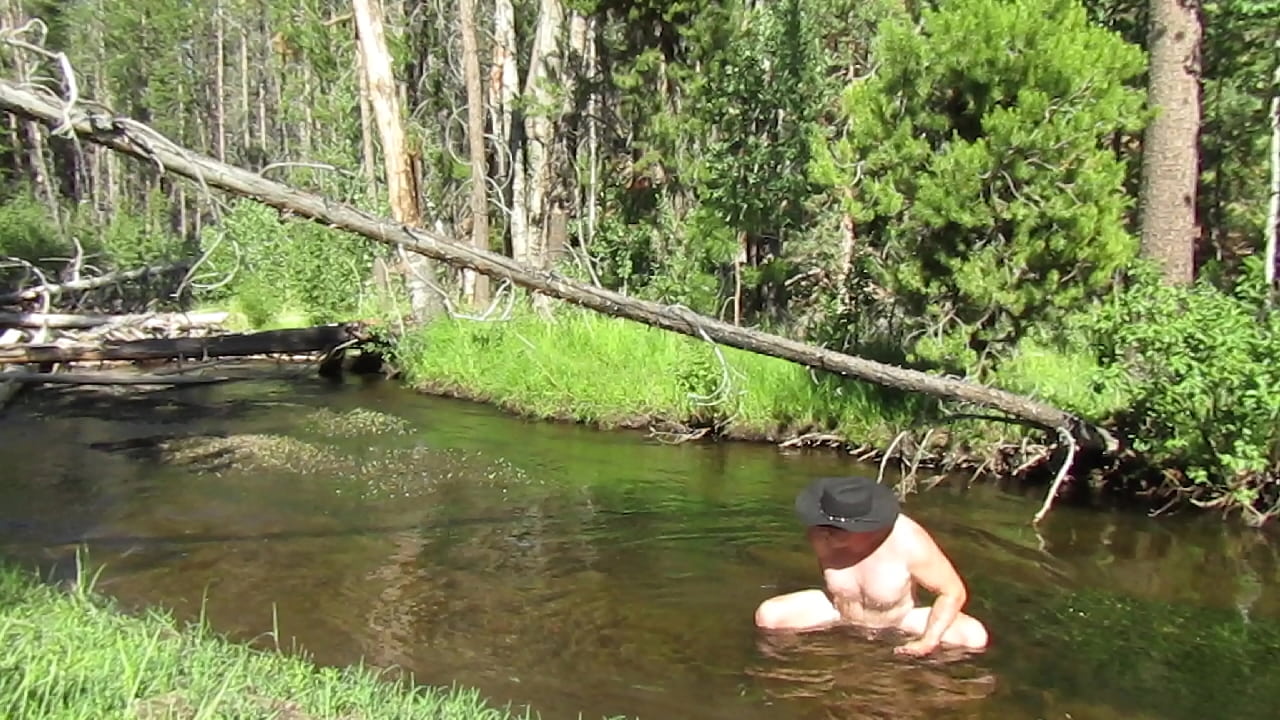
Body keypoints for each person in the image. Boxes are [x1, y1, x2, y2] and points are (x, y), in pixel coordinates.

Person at [754, 476, 989, 656]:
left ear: (867, 527)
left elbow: (952, 591)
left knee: (973, 636)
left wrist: (928, 641)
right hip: (839, 612)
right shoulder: (820, 535)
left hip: (899, 620)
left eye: (836, 529)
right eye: (823, 524)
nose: (825, 533)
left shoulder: (909, 541)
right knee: (770, 615)